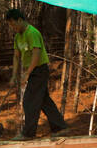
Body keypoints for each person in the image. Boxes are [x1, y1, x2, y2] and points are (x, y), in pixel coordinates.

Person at [6, 7, 66, 139]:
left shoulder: (32, 33)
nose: (12, 27)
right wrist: (14, 75)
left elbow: (36, 55)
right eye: (10, 25)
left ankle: (28, 133)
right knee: (44, 101)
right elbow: (16, 56)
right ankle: (60, 127)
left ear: (20, 20)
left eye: (13, 24)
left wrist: (27, 74)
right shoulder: (18, 37)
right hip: (31, 70)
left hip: (39, 70)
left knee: (29, 100)